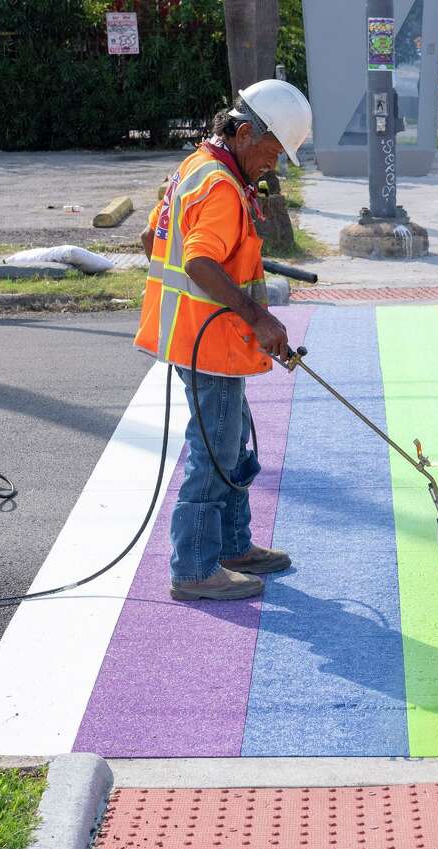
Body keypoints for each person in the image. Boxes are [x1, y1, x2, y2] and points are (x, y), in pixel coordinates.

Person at [136, 79, 312, 601]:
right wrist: (257, 316)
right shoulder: (218, 185)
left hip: (203, 339)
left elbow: (153, 239)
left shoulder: (195, 168)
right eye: (272, 151)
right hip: (207, 345)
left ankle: (233, 546)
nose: (272, 166)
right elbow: (197, 260)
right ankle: (193, 569)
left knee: (230, 445)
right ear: (242, 133)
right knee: (214, 452)